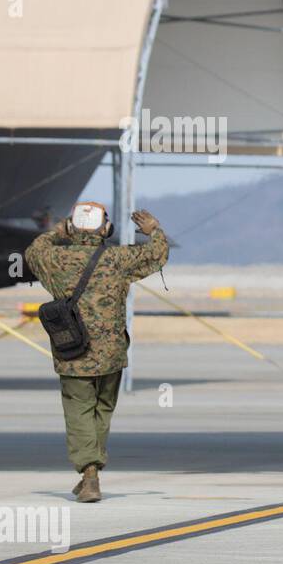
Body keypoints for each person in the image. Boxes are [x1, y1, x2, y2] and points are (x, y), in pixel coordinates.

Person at [25, 203, 169, 503]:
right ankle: (91, 470)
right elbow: (157, 256)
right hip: (111, 353)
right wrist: (153, 229)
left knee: (79, 412)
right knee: (102, 411)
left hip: (72, 351)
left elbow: (33, 252)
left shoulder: (55, 257)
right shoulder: (118, 258)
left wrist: (56, 231)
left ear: (72, 228)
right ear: (106, 229)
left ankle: (89, 473)